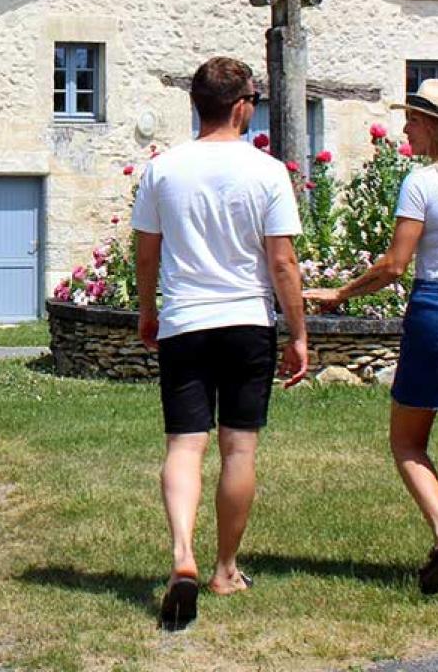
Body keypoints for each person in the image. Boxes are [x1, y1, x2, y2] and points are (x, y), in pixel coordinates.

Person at [133, 56, 309, 631]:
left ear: (196, 104)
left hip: (185, 321)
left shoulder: (163, 169)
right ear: (241, 106)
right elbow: (281, 262)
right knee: (238, 450)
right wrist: (299, 333)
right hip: (245, 323)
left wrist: (147, 311)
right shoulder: (266, 171)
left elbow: (147, 251)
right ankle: (225, 568)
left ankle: (182, 553)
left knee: (184, 447)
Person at [305, 78, 438, 595]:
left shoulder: (422, 183)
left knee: (406, 440)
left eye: (413, 120)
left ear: (437, 127)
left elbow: (395, 266)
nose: (405, 128)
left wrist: (340, 294)